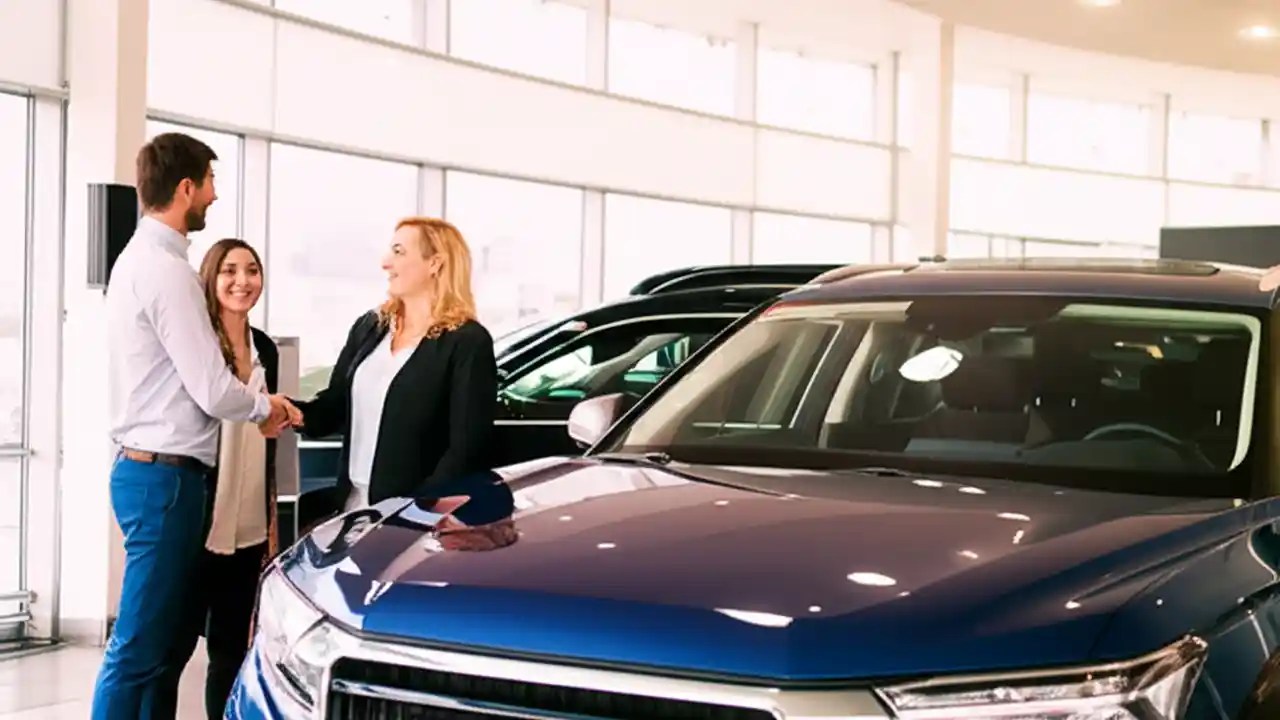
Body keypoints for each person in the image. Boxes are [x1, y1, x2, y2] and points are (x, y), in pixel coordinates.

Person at [92, 133, 298, 720]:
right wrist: (268, 408)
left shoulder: (139, 261)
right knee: (138, 649)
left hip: (153, 474)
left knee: (155, 649)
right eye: (209, 182)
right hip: (165, 481)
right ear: (186, 188)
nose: (213, 194)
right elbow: (212, 389)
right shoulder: (168, 271)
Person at [292, 217, 497, 524]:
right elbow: (335, 405)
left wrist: (417, 512)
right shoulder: (369, 327)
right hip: (352, 507)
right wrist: (293, 412)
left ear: (435, 263)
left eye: (399, 252)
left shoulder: (467, 342)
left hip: (415, 518)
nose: (385, 263)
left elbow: (466, 449)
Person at [160, 239, 282, 718]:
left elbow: (268, 432)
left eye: (252, 270)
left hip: (248, 523)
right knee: (172, 649)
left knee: (231, 651)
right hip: (199, 519)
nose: (242, 281)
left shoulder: (265, 347)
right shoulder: (198, 342)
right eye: (229, 270)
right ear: (209, 278)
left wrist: (271, 516)